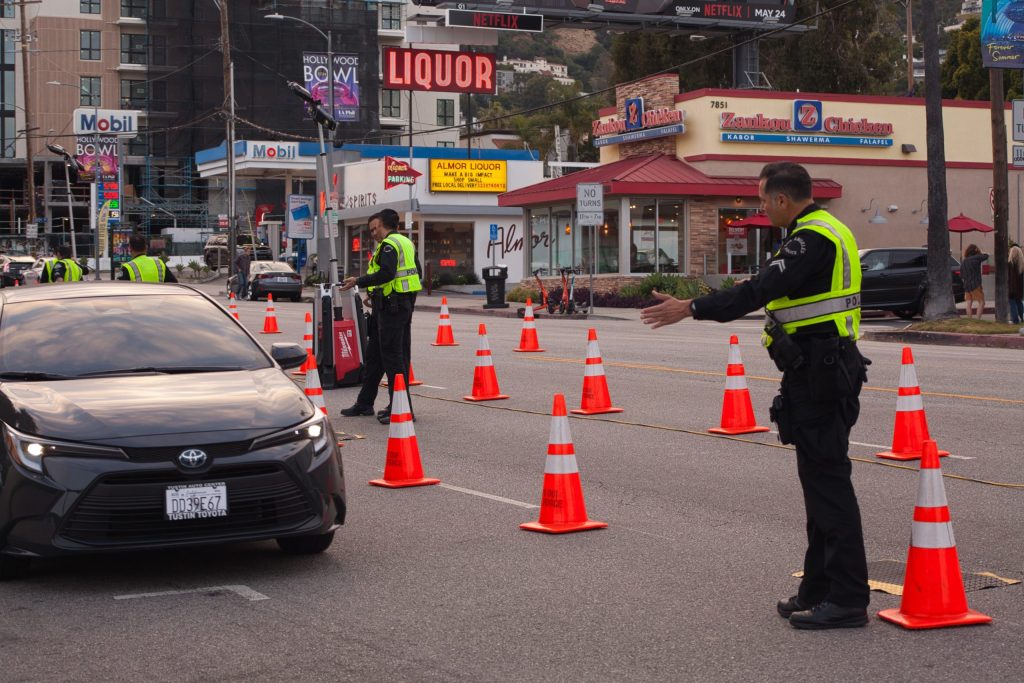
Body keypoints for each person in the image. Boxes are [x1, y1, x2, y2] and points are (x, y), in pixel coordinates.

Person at [640, 161, 871, 630]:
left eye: (764, 199)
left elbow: (761, 289)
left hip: (821, 375)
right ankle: (819, 588)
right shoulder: (820, 230)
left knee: (828, 486)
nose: (761, 207)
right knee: (818, 485)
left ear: (783, 199)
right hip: (818, 369)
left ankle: (848, 597)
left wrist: (693, 307)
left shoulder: (812, 238)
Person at [339, 209, 421, 424]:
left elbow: (387, 273)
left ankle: (402, 408)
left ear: (387, 225)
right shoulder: (406, 243)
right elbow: (415, 273)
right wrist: (375, 294)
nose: (373, 233)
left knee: (394, 358)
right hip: (392, 304)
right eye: (371, 230)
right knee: (375, 356)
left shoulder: (389, 245)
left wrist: (358, 281)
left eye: (376, 228)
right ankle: (365, 403)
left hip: (393, 307)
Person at [961, 244, 988, 319]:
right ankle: (978, 320)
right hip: (976, 285)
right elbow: (986, 256)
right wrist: (980, 252)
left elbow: (962, 275)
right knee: (981, 302)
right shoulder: (977, 257)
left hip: (966, 285)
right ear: (975, 251)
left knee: (969, 303)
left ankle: (970, 320)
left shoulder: (964, 261)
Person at [1007, 244, 1023, 326]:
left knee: (1012, 303)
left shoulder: (1010, 264)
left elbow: (1009, 278)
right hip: (1020, 288)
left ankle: (1015, 320)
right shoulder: (1021, 265)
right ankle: (1022, 318)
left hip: (1012, 288)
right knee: (1019, 302)